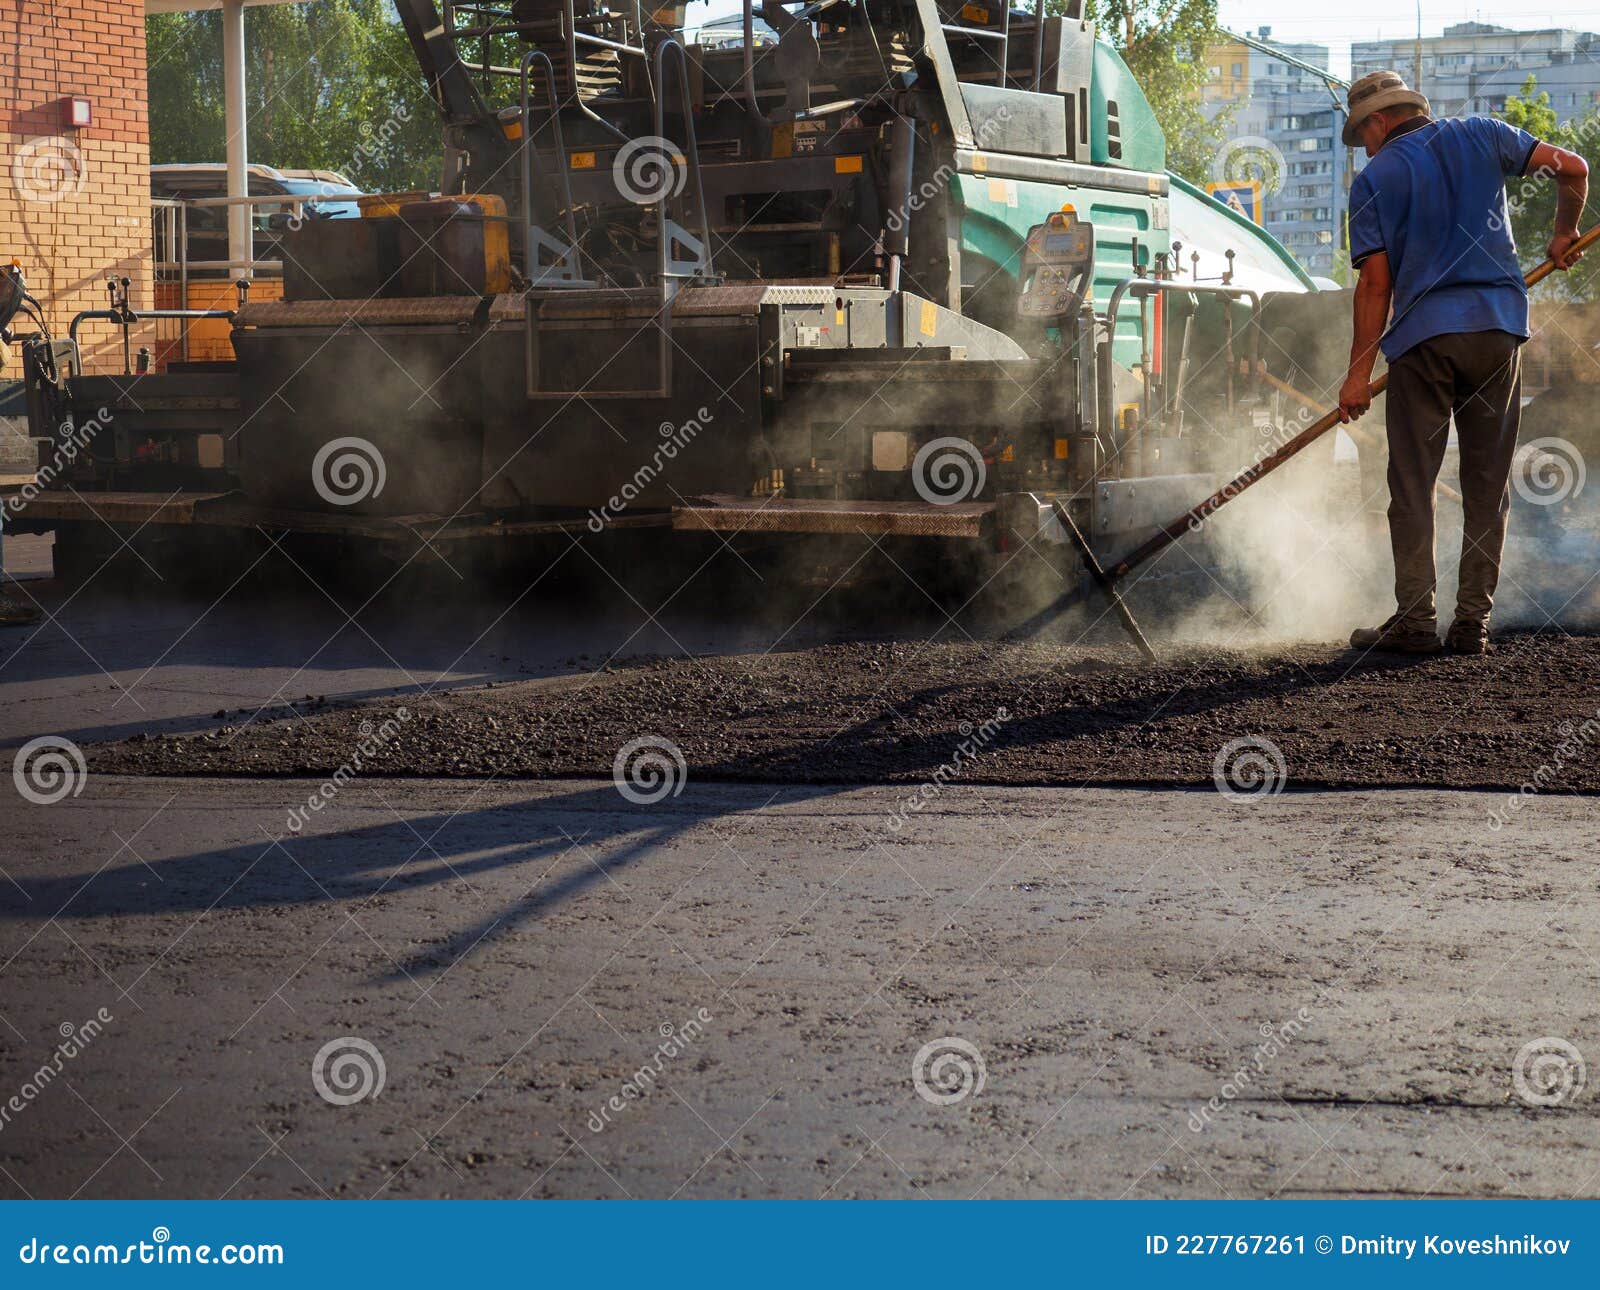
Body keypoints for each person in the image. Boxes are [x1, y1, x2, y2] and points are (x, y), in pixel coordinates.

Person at [1337, 70, 1589, 655]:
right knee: (1486, 484)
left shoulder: (1374, 178)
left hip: (1423, 340)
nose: (1364, 147)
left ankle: (1415, 621)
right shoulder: (1482, 133)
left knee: (1412, 483)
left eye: (1362, 134)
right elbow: (1573, 167)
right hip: (1498, 331)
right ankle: (1472, 623)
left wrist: (1356, 374)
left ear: (1378, 121)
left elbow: (1375, 285)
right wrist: (1564, 232)